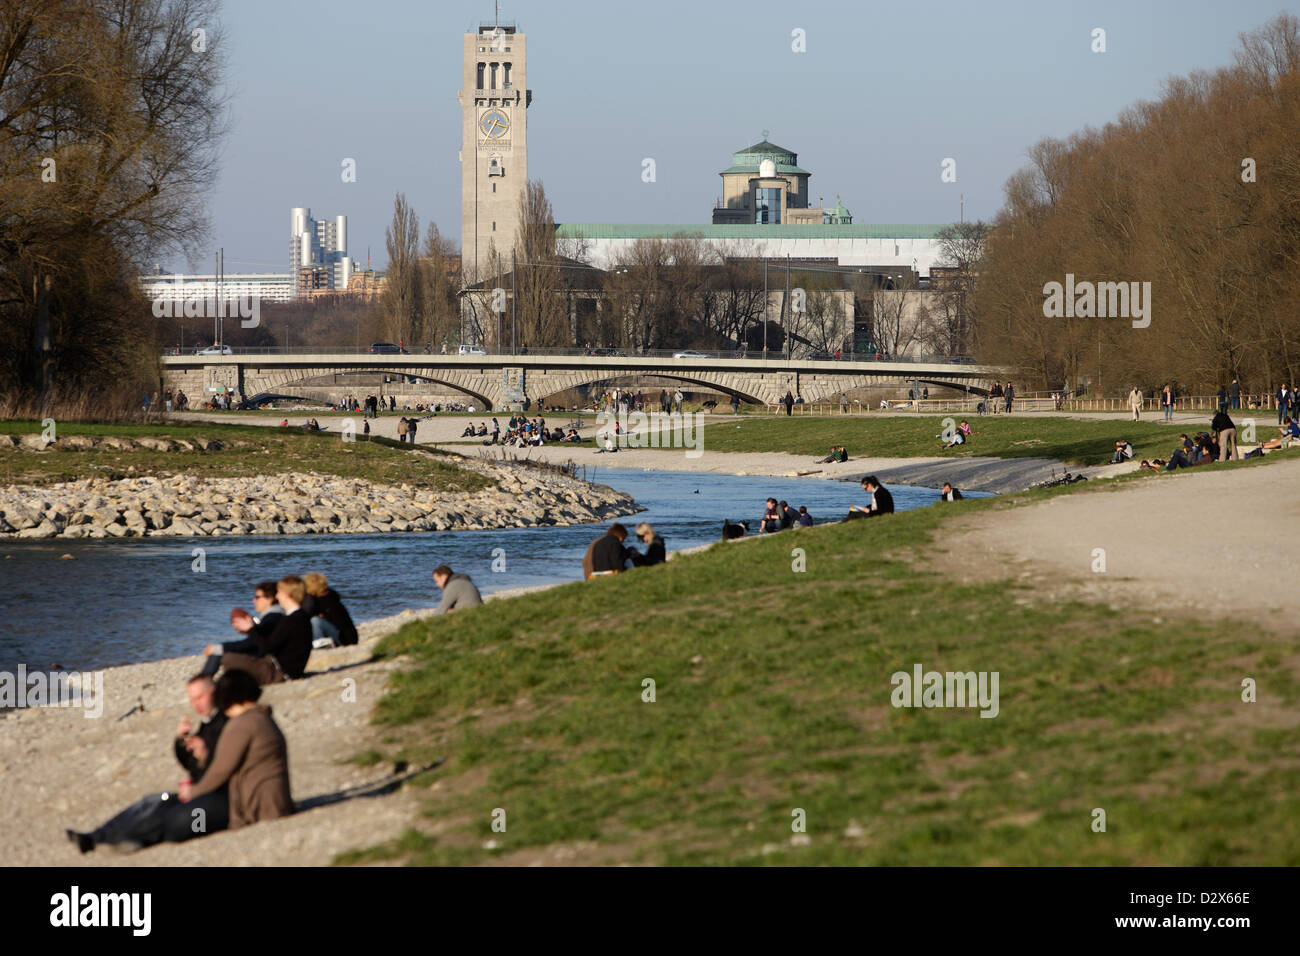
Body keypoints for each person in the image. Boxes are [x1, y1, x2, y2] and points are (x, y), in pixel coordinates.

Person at [66, 673, 232, 853]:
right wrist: (180, 741)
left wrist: (204, 755)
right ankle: (96, 837)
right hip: (197, 793)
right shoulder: (207, 723)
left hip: (209, 798)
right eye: (192, 699)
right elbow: (192, 765)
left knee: (165, 812)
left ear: (213, 691)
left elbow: (219, 769)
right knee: (151, 801)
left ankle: (129, 840)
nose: (196, 704)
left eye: (200, 697)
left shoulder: (224, 723)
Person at [180, 669, 293, 831]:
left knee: (179, 820)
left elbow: (221, 770)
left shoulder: (243, 724)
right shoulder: (260, 718)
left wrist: (193, 793)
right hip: (272, 804)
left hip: (261, 810)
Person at [203, 576, 313, 685]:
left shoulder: (291, 620)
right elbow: (274, 645)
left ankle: (204, 681)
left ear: (288, 595)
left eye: (279, 592)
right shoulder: (300, 616)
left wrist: (251, 630)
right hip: (286, 670)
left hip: (279, 672)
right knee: (229, 655)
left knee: (226, 657)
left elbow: (268, 647)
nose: (277, 596)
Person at [302, 572, 358, 648]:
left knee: (315, 621)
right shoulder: (330, 596)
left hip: (343, 638)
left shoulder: (326, 601)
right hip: (343, 635)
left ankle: (320, 645)